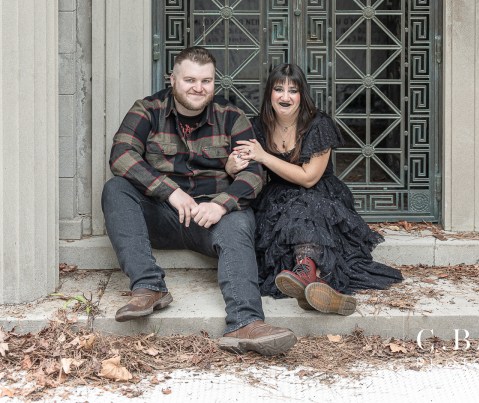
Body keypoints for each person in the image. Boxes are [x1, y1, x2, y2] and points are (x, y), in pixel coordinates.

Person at [101, 45, 296, 356]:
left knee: (239, 219)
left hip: (212, 219)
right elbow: (121, 155)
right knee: (116, 189)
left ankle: (245, 322)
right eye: (190, 80)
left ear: (214, 82)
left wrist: (221, 204)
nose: (198, 88)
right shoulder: (148, 110)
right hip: (163, 215)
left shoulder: (230, 116)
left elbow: (255, 172)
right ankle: (149, 287)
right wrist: (169, 191)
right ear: (173, 79)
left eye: (206, 81)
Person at [228, 63, 403, 315]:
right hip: (276, 198)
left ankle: (306, 272)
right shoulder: (258, 126)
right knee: (282, 230)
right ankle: (317, 283)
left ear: (302, 95)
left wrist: (264, 156)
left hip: (320, 194)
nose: (285, 96)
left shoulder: (318, 124)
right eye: (279, 89)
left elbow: (309, 178)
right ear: (269, 94)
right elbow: (237, 161)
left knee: (306, 206)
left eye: (293, 90)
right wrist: (232, 165)